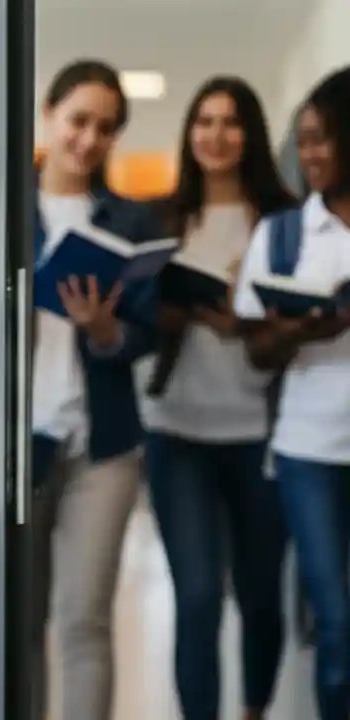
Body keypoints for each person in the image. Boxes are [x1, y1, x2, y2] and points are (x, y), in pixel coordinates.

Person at [137, 76, 294, 720]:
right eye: (204, 121)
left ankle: (255, 710)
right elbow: (135, 313)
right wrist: (167, 315)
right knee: (197, 596)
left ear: (251, 135)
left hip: (261, 431)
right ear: (189, 133)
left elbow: (308, 319)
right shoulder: (161, 219)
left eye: (231, 123)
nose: (216, 135)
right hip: (176, 432)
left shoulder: (284, 223)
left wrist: (249, 325)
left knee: (259, 597)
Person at [28, 59, 164, 720]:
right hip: (15, 440)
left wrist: (107, 330)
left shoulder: (130, 221)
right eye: (79, 120)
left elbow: (145, 332)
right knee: (15, 624)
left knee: (84, 623)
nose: (88, 139)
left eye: (106, 128)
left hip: (101, 444)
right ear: (48, 115)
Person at [234, 66, 350, 720]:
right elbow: (256, 352)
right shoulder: (282, 235)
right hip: (310, 449)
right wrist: (303, 331)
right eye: (303, 140)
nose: (310, 154)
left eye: (324, 139)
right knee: (335, 622)